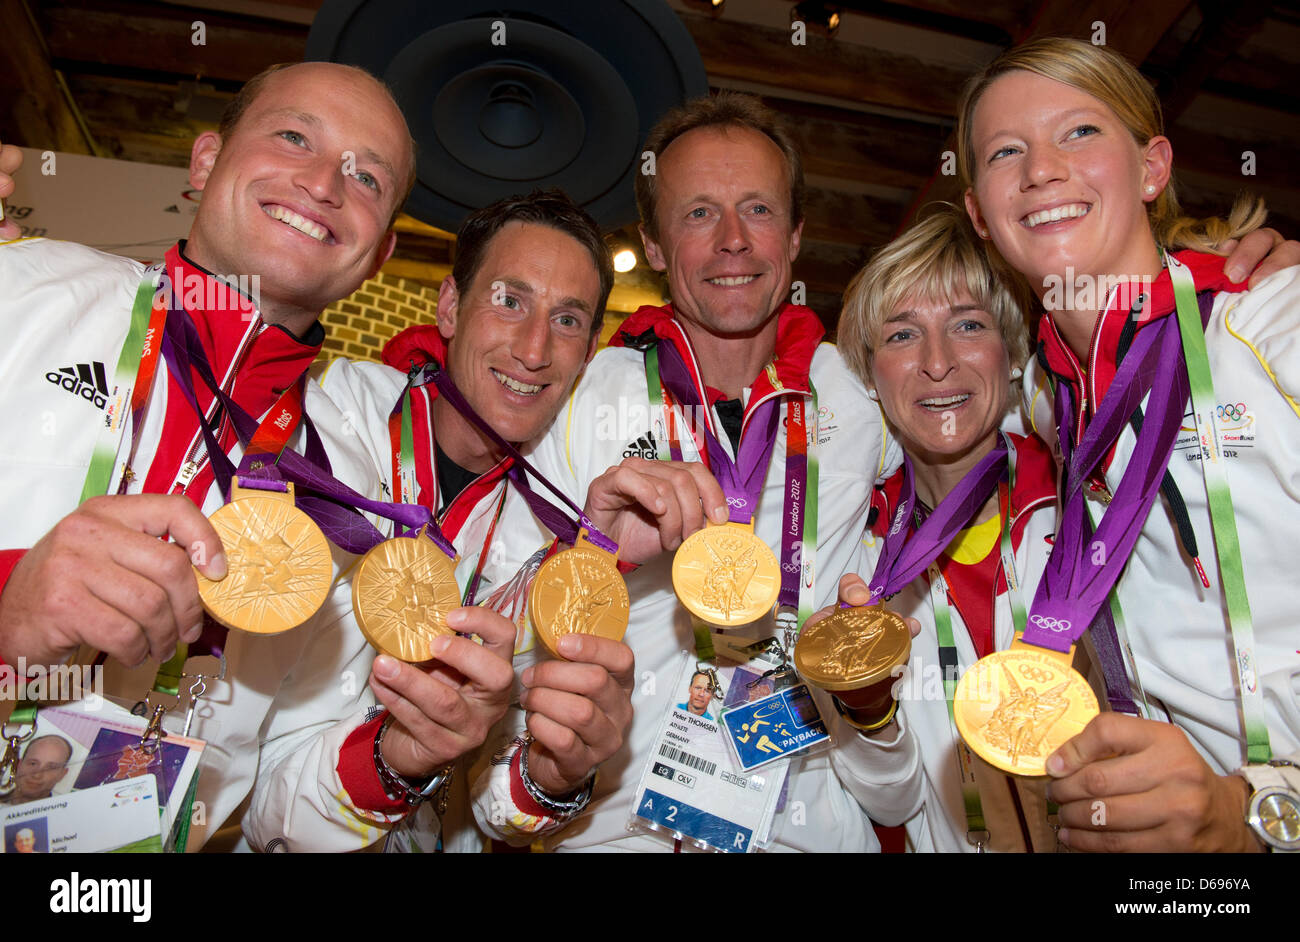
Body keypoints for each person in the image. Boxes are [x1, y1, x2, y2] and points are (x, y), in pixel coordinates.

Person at [0, 62, 518, 851]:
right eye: (293, 136)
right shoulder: (23, 292)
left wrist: (400, 758)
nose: (324, 183)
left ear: (377, 255)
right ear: (205, 162)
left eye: (368, 177)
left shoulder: (354, 491)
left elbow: (279, 793)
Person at [471, 92, 914, 852]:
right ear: (651, 242)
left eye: (759, 210)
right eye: (699, 213)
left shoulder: (868, 397)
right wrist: (590, 552)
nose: (734, 241)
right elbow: (483, 616)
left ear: (798, 234)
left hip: (810, 830)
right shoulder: (581, 394)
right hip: (612, 827)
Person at [960, 36, 1300, 852]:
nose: (1041, 168)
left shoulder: (1271, 325)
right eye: (1006, 151)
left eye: (1079, 132)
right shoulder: (1044, 400)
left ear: (1151, 169)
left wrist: (1258, 816)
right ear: (979, 215)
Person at [246, 190, 636, 852]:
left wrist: (555, 772)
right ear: (450, 306)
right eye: (509, 301)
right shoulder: (330, 434)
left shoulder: (555, 526)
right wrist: (393, 759)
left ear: (590, 350)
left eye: (567, 320)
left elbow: (494, 808)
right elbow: (255, 788)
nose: (535, 349)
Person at [829, 208, 1062, 851]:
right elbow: (891, 801)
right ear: (869, 375)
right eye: (902, 336)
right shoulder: (861, 554)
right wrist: (868, 711)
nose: (937, 364)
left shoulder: (1087, 499)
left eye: (967, 325)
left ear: (1011, 352)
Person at [2, 735, 73, 804]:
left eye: (50, 768)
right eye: (33, 764)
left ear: (62, 775)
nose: (37, 775)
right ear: (19, 765)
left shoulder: (63, 815)